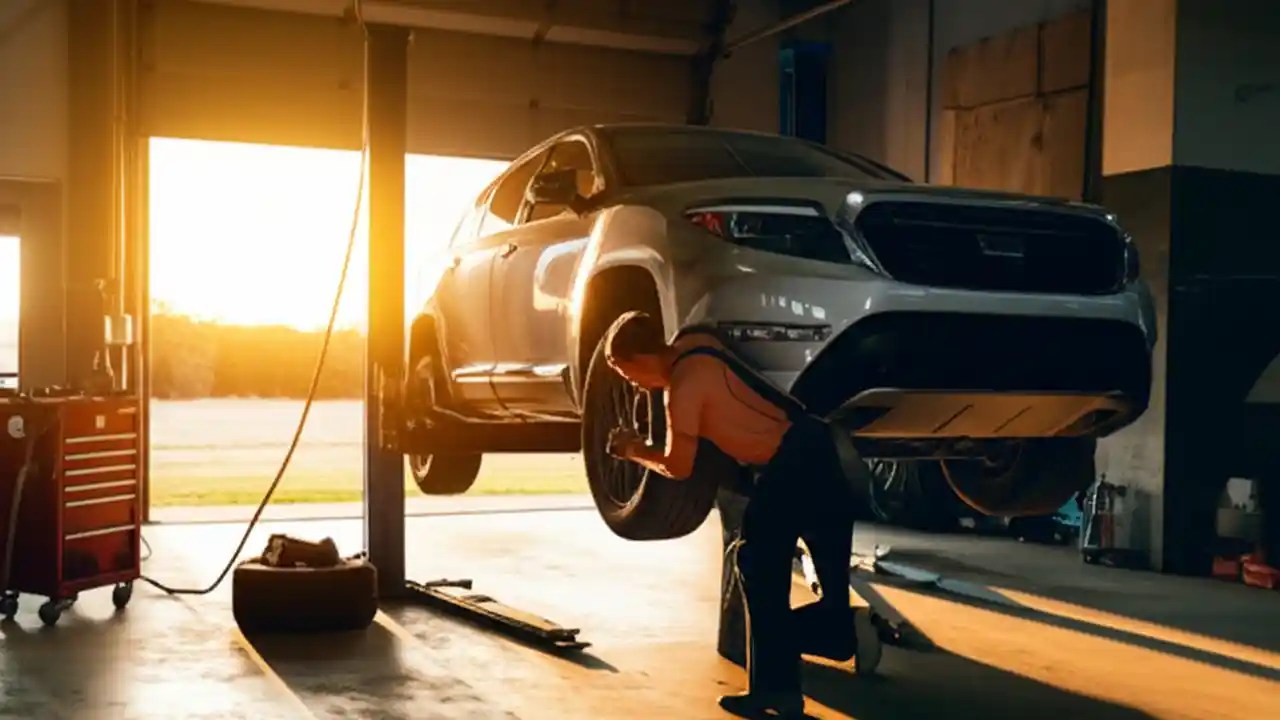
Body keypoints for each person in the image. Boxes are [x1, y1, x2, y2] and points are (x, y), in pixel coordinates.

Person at [601, 311, 880, 718]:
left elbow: (678, 467)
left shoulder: (682, 387)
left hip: (792, 461)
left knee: (757, 562)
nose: (635, 385)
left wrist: (632, 450)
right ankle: (838, 634)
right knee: (828, 573)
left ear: (642, 357)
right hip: (822, 446)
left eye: (630, 374)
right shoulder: (698, 344)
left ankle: (777, 692)